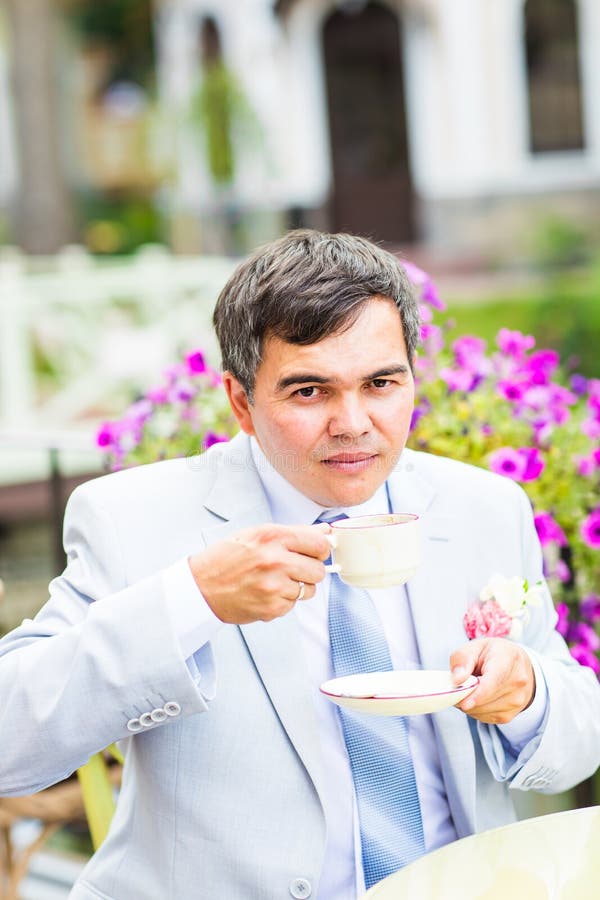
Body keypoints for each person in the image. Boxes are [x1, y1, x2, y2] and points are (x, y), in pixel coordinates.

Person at [0, 230, 599, 900]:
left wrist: (528, 695)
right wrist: (190, 600)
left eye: (380, 383)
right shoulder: (131, 519)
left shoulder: (483, 507)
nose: (353, 422)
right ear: (240, 403)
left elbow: (580, 741)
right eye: (310, 391)